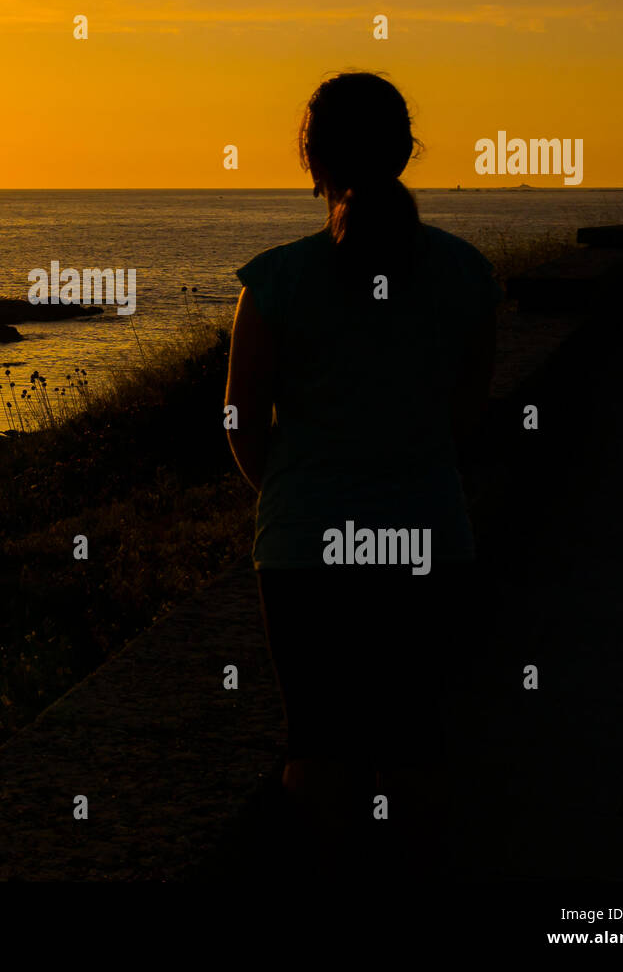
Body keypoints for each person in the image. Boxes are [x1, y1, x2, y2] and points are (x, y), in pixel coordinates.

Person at [225, 71, 500, 870]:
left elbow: (241, 425)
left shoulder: (274, 281)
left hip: (306, 547)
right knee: (417, 739)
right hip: (429, 537)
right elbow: (465, 416)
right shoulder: (466, 274)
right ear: (407, 151)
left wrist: (293, 493)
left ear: (311, 156)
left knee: (318, 748)